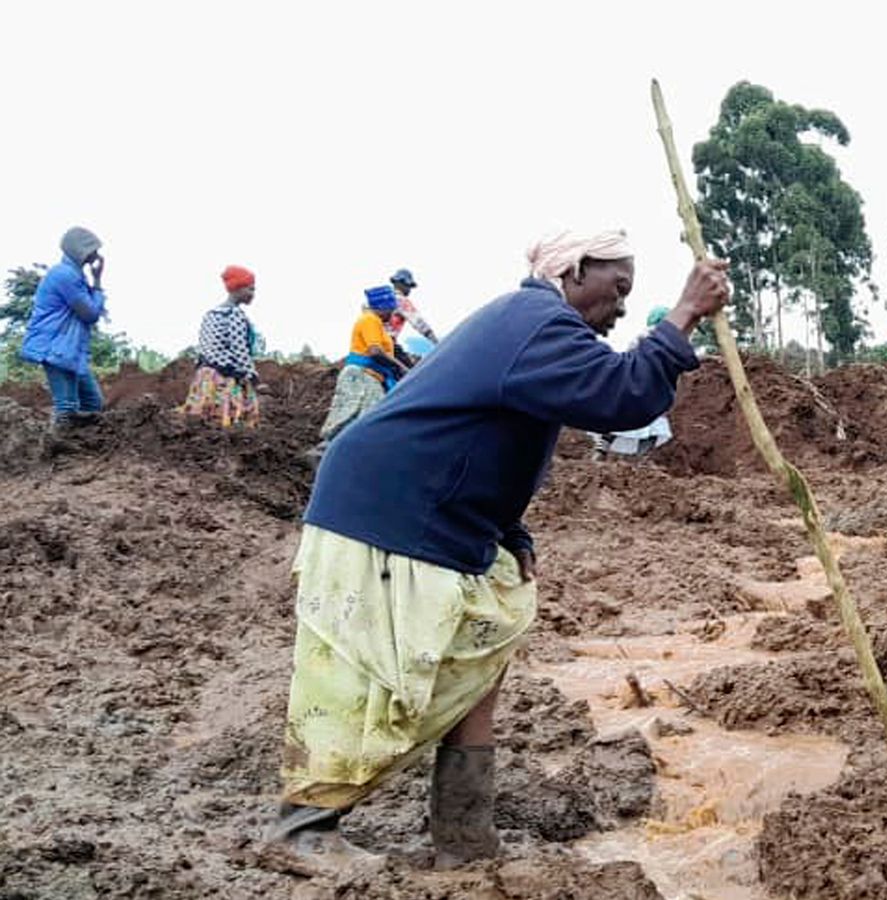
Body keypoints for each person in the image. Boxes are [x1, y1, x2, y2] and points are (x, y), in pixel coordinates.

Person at [261, 229, 729, 874]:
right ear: (574, 272)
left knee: (482, 649)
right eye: (617, 288)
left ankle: (464, 837)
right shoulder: (537, 322)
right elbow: (623, 400)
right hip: (387, 514)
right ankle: (302, 832)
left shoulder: (532, 328)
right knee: (369, 675)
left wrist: (509, 530)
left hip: (431, 513)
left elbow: (482, 435)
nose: (622, 306)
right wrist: (684, 315)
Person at [20, 227, 107, 427]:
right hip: (56, 348)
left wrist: (94, 281)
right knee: (66, 408)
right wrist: (98, 281)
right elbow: (90, 314)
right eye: (93, 249)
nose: (97, 255)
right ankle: (57, 451)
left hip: (70, 350)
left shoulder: (74, 275)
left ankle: (85, 450)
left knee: (93, 402)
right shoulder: (65, 275)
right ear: (81, 251)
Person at [315, 286, 409, 449]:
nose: (392, 314)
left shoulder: (378, 324)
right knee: (353, 417)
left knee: (367, 420)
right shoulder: (370, 320)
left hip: (371, 377)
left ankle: (343, 454)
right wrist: (400, 367)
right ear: (383, 307)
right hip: (360, 377)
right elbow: (375, 351)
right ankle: (325, 452)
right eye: (391, 310)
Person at [589, 305, 677, 460]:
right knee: (651, 427)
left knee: (626, 422)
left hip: (634, 384)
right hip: (645, 388)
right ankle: (639, 460)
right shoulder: (657, 337)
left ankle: (605, 449)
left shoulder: (643, 337)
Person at [178, 266, 261, 428]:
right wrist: (251, 374)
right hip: (227, 377)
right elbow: (239, 348)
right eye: (250, 289)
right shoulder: (234, 314)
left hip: (206, 375)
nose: (253, 294)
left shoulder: (211, 314)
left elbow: (204, 344)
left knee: (203, 421)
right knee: (231, 422)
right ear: (237, 288)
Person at [386, 268, 439, 343]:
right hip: (386, 342)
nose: (409, 289)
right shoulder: (400, 300)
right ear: (400, 283)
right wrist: (436, 341)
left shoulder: (384, 298)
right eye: (408, 285)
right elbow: (419, 322)